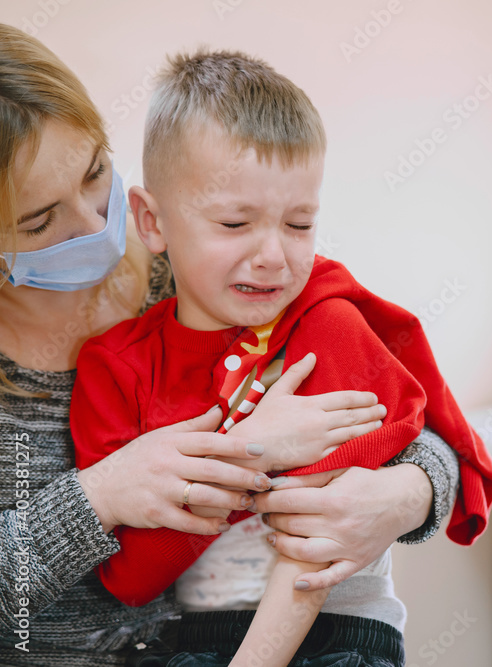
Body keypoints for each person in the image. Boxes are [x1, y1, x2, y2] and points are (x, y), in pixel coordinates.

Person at [0, 23, 463, 666]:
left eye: (94, 173)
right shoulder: (129, 354)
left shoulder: (229, 282)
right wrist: (102, 493)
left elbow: (418, 432)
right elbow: (126, 575)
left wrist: (408, 495)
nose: (90, 223)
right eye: (40, 219)